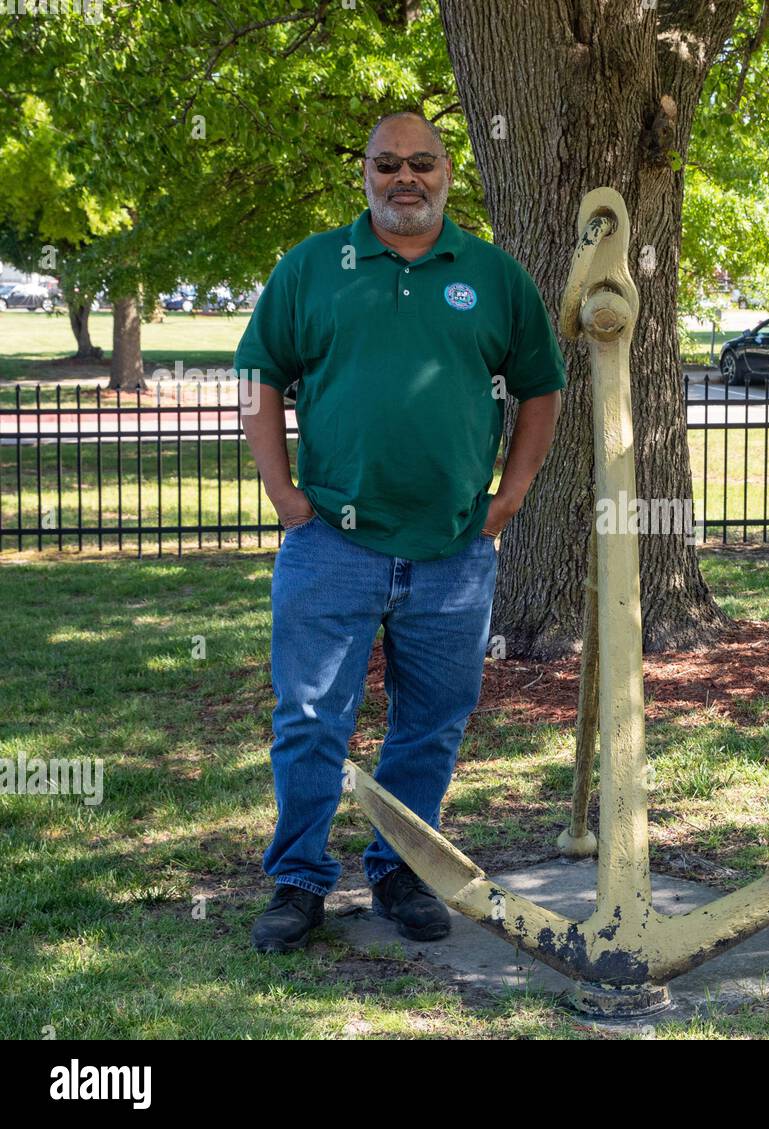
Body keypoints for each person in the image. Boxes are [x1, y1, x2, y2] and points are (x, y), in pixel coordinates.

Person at [236, 111, 565, 953]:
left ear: (448, 173)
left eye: (422, 162)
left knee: (432, 720)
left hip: (454, 550)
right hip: (332, 543)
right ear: (367, 175)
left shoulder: (492, 274)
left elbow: (540, 386)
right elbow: (257, 376)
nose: (404, 178)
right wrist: (282, 490)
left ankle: (399, 871)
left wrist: (512, 494)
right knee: (311, 715)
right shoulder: (314, 267)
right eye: (388, 164)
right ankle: (299, 880)